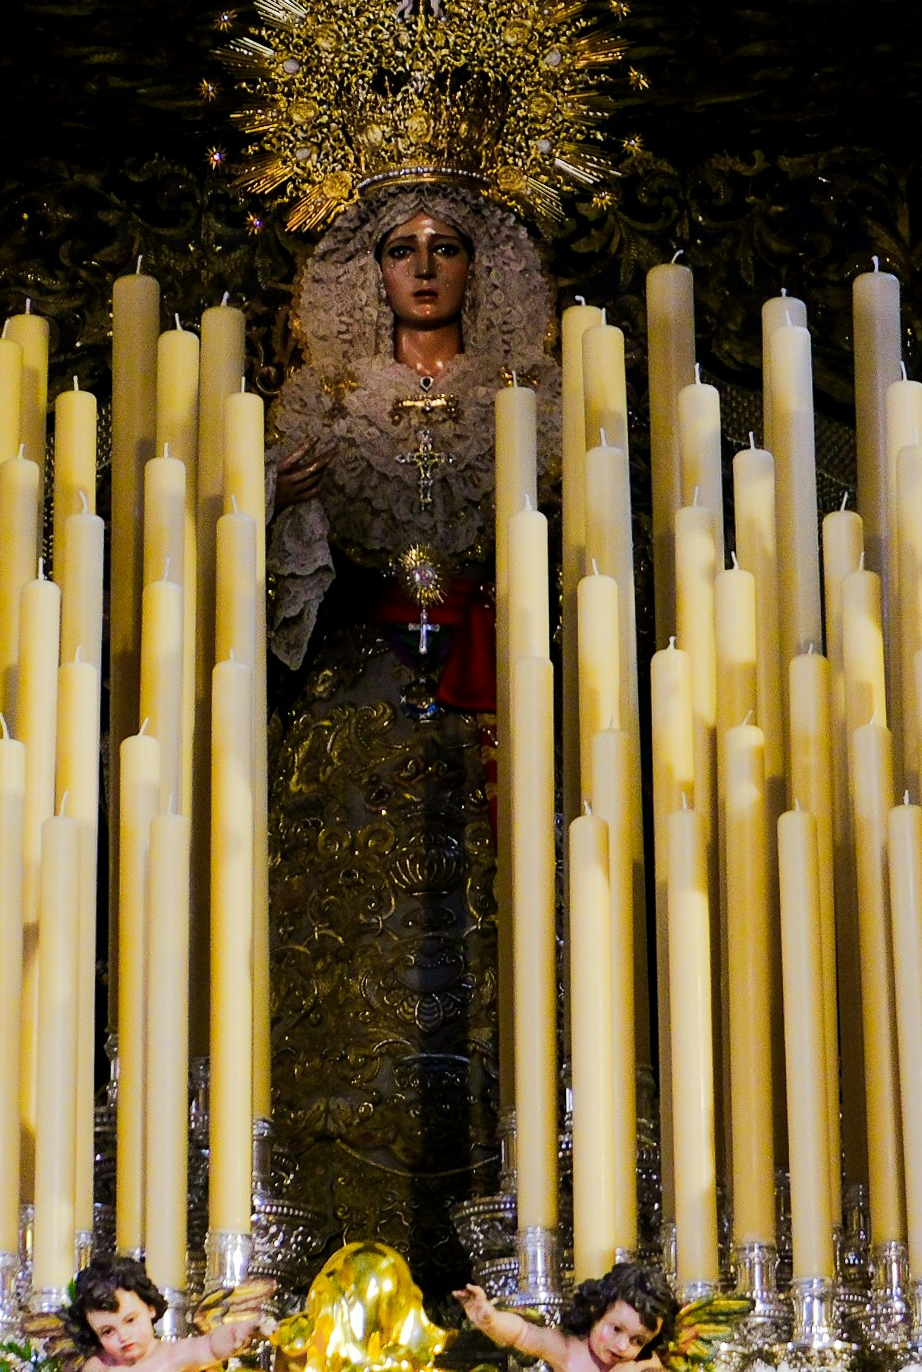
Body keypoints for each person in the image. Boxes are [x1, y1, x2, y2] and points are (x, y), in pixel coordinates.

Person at [259, 184, 559, 1284]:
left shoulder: (533, 394)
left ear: (483, 269)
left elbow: (581, 527)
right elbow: (279, 556)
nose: (425, 267)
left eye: (446, 248)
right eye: (401, 249)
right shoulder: (324, 397)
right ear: (370, 272)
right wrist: (275, 497)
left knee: (510, 908)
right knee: (351, 924)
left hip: (497, 680)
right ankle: (338, 1197)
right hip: (361, 687)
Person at [62, 1254, 273, 1372]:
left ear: (150, 1308)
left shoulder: (173, 1356)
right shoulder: (98, 1365)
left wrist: (242, 1331)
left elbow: (209, 1346)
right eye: (107, 1331)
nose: (123, 1336)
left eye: (130, 1320)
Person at [455, 1263, 677, 1372]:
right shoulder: (568, 1351)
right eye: (616, 1329)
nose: (621, 1346)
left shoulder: (640, 1367)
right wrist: (491, 1320)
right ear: (595, 1311)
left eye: (637, 1341)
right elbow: (522, 1333)